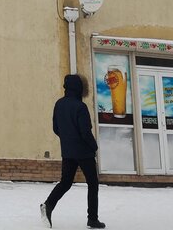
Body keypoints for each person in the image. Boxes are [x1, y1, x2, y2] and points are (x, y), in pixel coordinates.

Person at [41, 74, 105, 229]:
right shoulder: (80, 107)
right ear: (79, 88)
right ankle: (92, 219)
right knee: (93, 183)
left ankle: (48, 205)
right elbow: (85, 132)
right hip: (84, 152)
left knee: (66, 182)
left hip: (68, 151)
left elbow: (56, 128)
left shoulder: (59, 104)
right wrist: (94, 146)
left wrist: (68, 139)